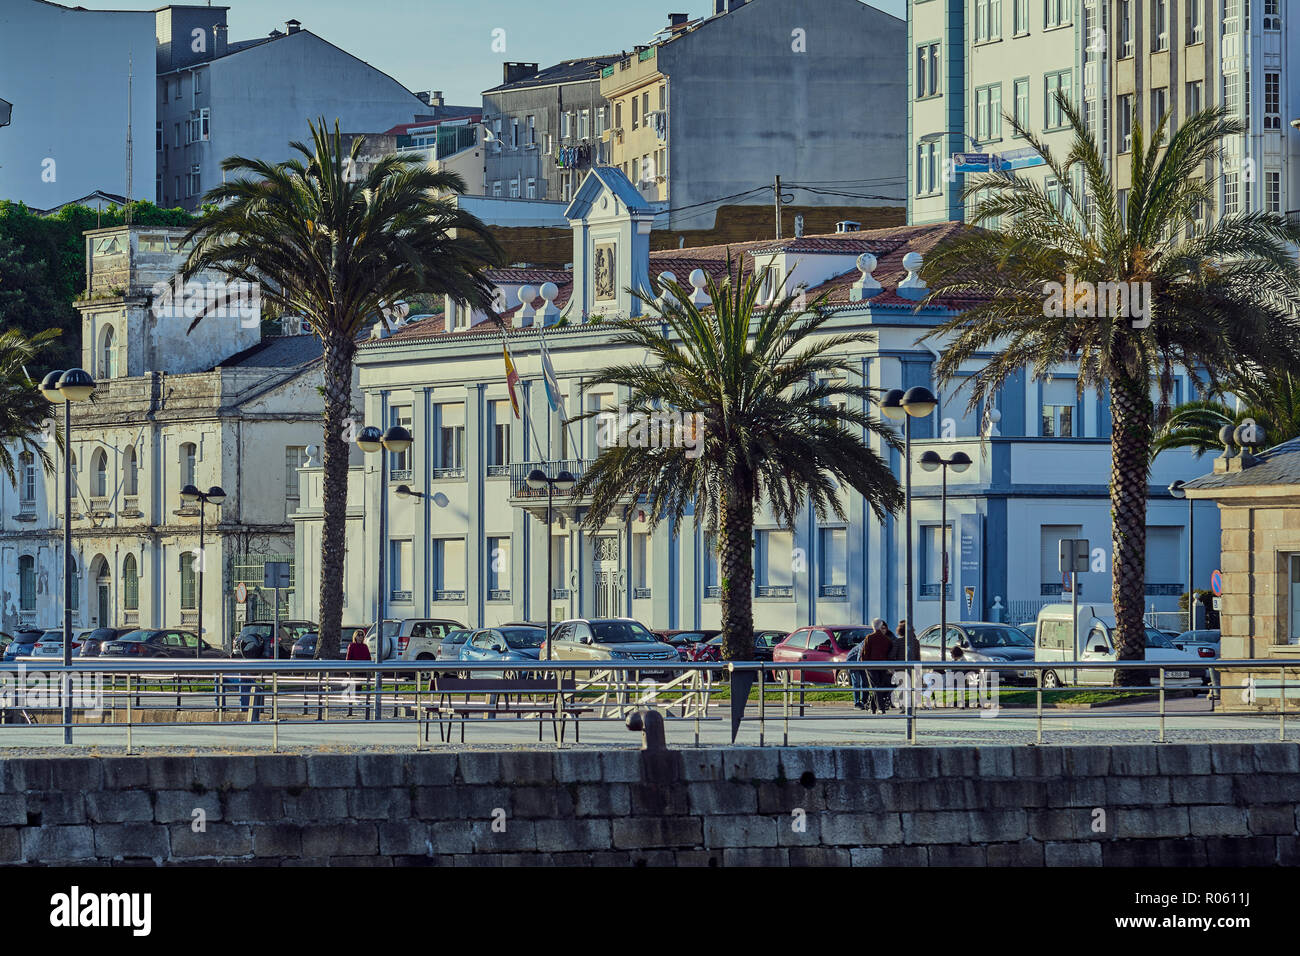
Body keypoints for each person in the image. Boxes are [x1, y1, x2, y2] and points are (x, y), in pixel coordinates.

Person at [863, 619, 895, 714]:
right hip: (883, 665)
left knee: (875, 686)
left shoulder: (869, 638)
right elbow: (889, 653)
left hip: (871, 665)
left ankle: (880, 707)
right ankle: (873, 707)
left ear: (873, 627)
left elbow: (865, 653)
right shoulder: (887, 640)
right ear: (881, 626)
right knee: (878, 686)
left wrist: (862, 664)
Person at [345, 629, 371, 718]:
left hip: (363, 668)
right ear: (355, 637)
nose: (360, 637)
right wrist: (348, 668)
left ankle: (357, 698)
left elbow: (368, 657)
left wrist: (370, 668)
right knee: (355, 683)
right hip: (355, 668)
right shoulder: (352, 646)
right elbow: (348, 657)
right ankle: (354, 698)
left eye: (362, 635)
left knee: (360, 684)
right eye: (358, 635)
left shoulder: (365, 646)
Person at [845, 632, 870, 709]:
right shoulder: (863, 645)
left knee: (865, 682)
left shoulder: (869, 644)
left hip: (860, 662)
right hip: (852, 662)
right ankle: (857, 703)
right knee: (857, 682)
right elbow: (859, 657)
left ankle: (864, 701)